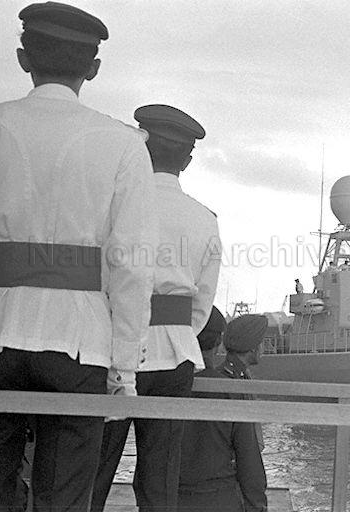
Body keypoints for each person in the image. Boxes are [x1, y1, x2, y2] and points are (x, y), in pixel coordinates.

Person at [0, 3, 156, 510]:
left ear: (24, 59)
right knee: (64, 498)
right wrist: (124, 368)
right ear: (93, 68)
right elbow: (131, 265)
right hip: (80, 340)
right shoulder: (125, 146)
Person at [92, 104, 221, 511]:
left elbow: (99, 276)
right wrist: (178, 331)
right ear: (187, 160)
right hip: (176, 353)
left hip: (112, 345)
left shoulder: (112, 203)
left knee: (94, 469)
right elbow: (203, 301)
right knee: (160, 478)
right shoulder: (205, 219)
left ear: (140, 145)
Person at [178, 308, 268, 512]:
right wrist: (257, 505)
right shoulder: (229, 387)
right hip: (219, 494)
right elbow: (248, 456)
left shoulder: (171, 387)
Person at [218, 314, 269, 451]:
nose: (263, 347)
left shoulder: (240, 376)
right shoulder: (228, 383)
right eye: (261, 342)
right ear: (253, 347)